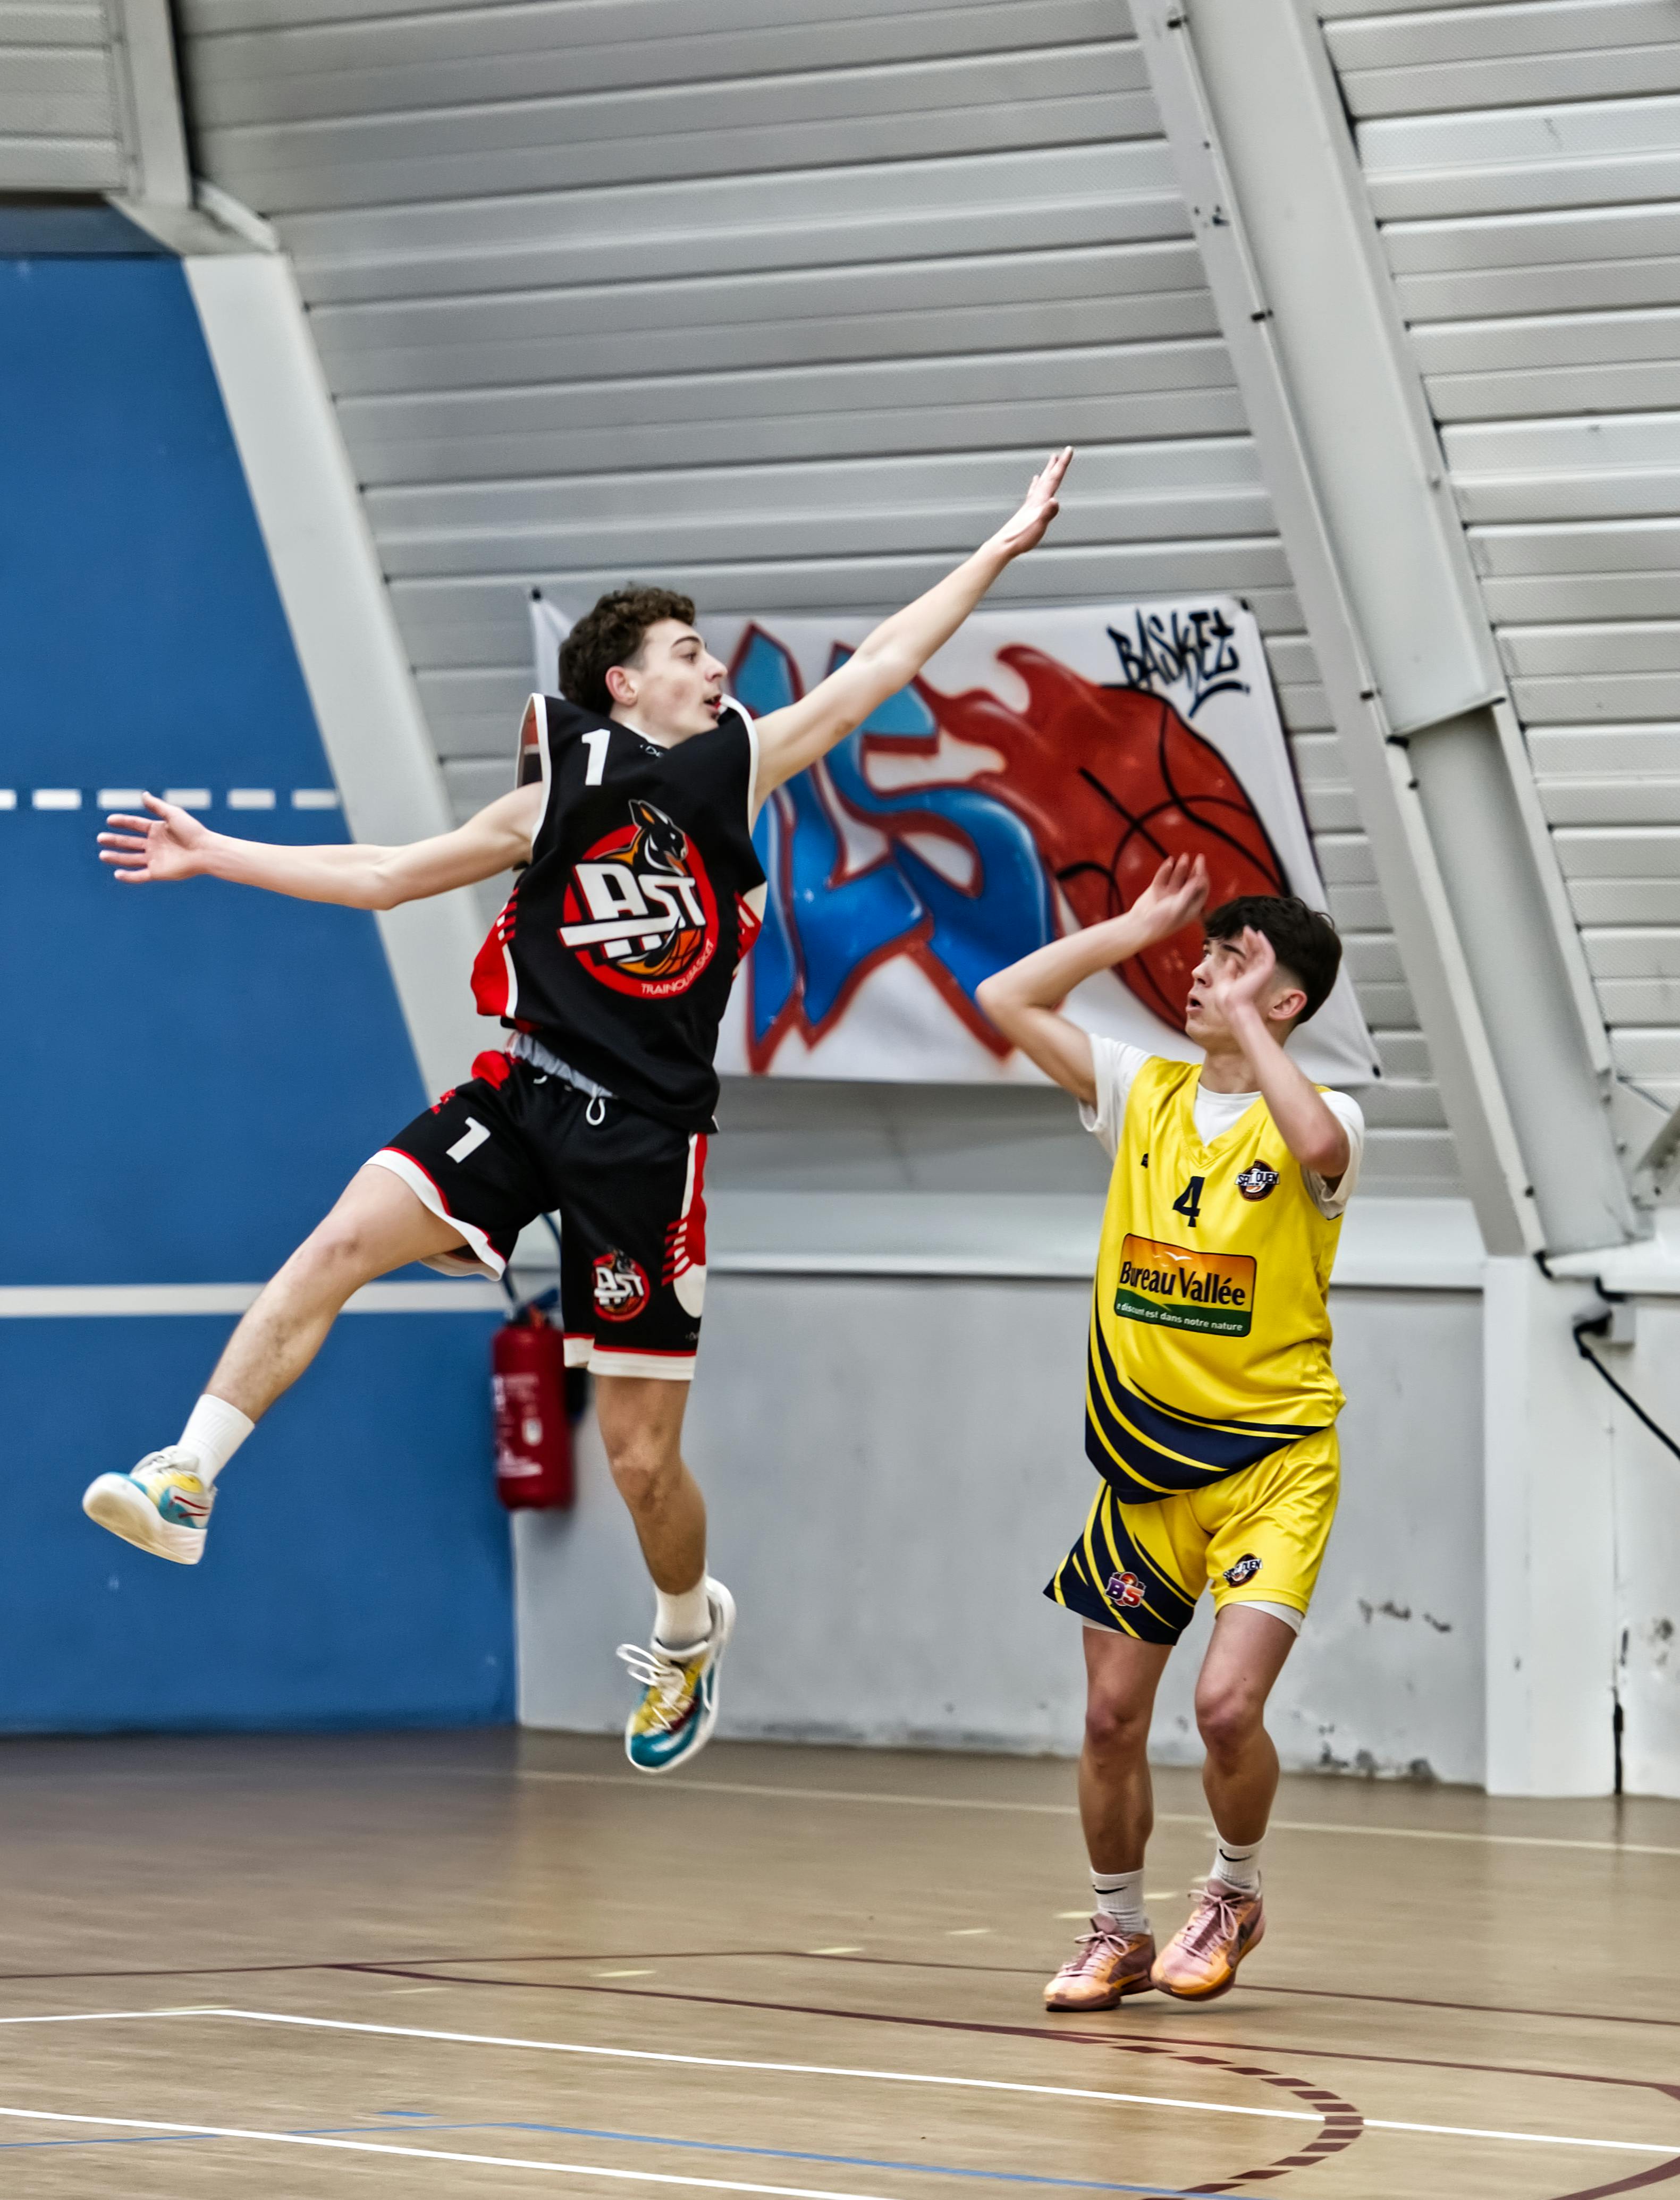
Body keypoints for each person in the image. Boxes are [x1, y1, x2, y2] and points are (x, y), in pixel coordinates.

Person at [81, 448, 1074, 1776]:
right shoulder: (553, 793)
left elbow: (883, 665)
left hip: (649, 1151)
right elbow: (382, 874)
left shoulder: (735, 768)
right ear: (623, 681)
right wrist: (219, 855)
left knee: (641, 1465)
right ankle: (188, 1475)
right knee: (333, 1247)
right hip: (526, 1088)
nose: (712, 665)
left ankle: (684, 1631)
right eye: (685, 649)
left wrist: (999, 546)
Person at [976, 855, 1361, 2003]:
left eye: (1234, 965)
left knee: (1226, 1708)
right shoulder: (1141, 1093)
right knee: (1107, 1718)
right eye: (1206, 957)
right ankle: (1118, 1929)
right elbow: (1006, 1001)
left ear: (1287, 1001)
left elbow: (1318, 1150)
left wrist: (1254, 1025)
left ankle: (1235, 1890)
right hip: (1147, 1475)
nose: (1202, 976)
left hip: (1273, 1469)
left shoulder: (1323, 1113)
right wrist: (1129, 928)